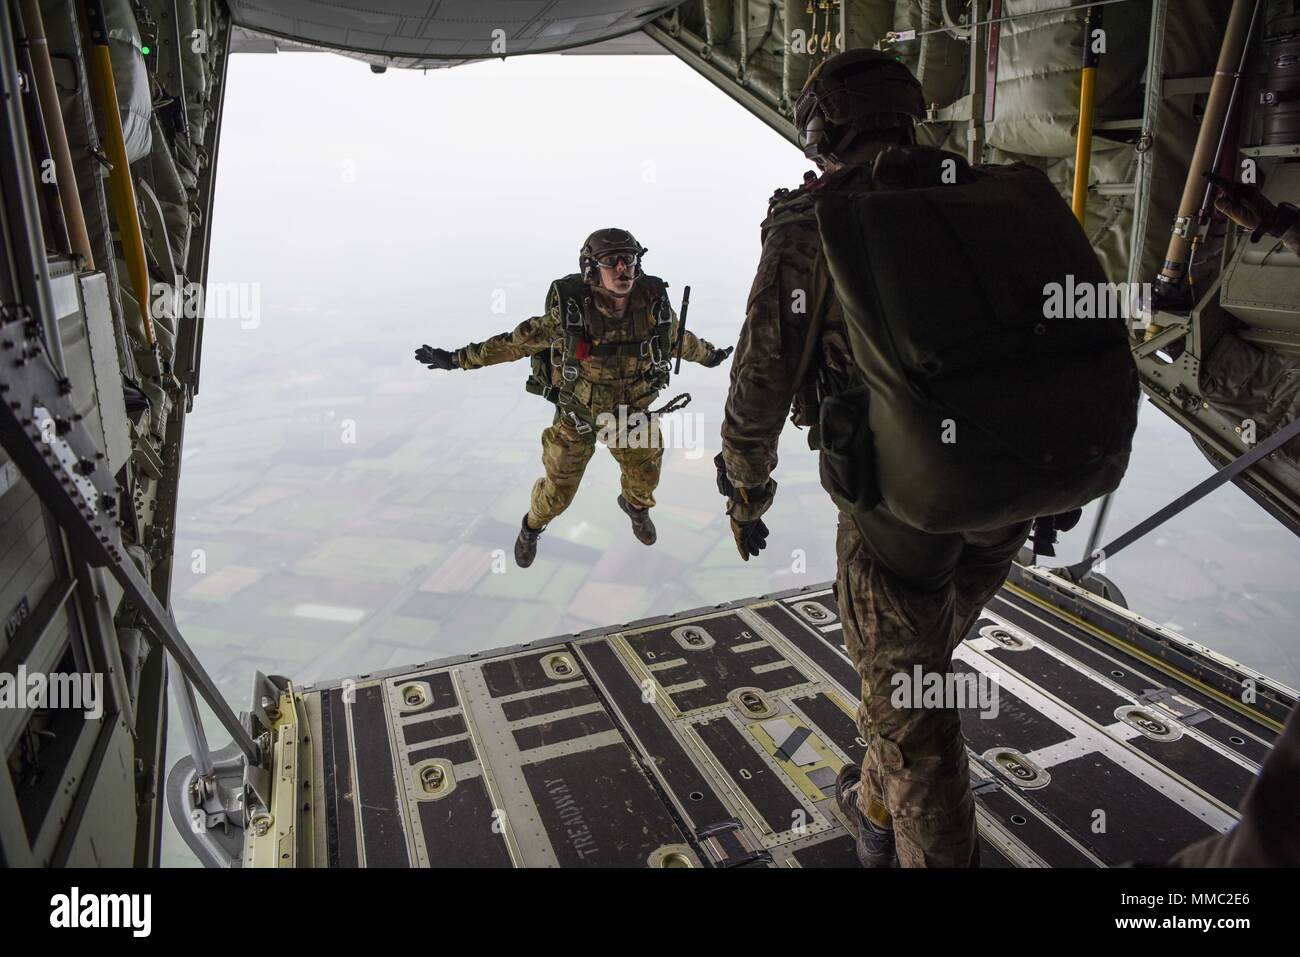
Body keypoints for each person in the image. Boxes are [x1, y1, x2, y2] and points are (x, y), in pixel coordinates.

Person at [717, 50, 1036, 868]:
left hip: (901, 519)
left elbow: (757, 391)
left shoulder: (816, 224)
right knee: (911, 682)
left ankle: (895, 829)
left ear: (823, 126)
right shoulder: (989, 198)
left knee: (917, 725)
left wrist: (746, 496)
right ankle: (872, 811)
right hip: (1010, 499)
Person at [417, 228, 731, 567]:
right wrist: (457, 359)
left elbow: (678, 340)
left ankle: (635, 508)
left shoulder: (651, 304)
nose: (623, 268)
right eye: (612, 261)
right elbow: (514, 344)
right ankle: (531, 528)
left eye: (629, 259)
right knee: (557, 495)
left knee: (645, 480)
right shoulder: (571, 312)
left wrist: (710, 355)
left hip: (632, 415)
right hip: (577, 416)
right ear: (591, 268)